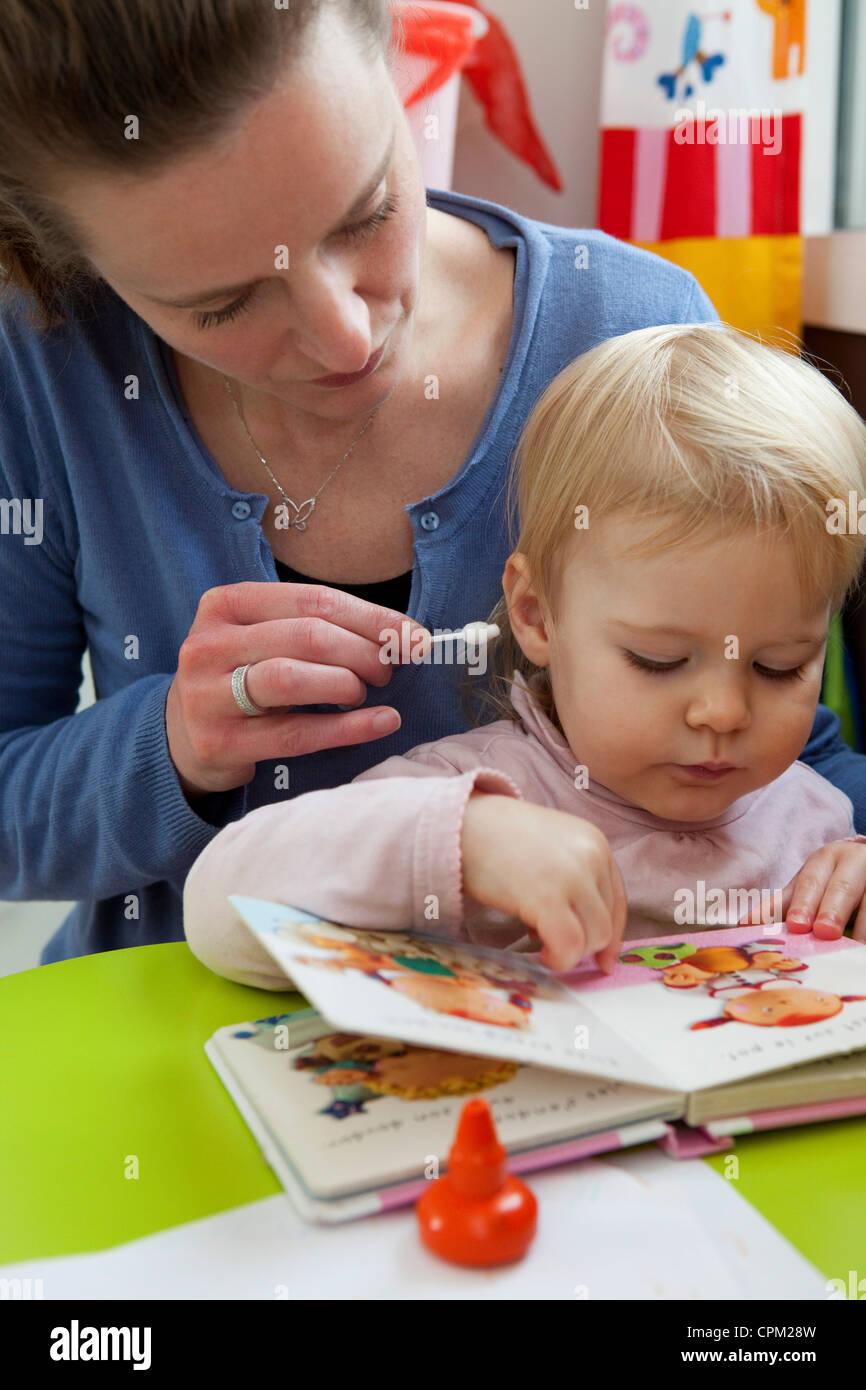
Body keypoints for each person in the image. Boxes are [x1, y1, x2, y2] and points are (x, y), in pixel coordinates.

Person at [0, 2, 860, 967]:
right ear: (73, 264)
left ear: (405, 60)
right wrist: (168, 748)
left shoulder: (634, 331)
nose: (347, 337)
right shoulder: (42, 366)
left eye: (367, 211)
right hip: (170, 1030)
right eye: (222, 303)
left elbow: (782, 768)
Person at [183, 322, 866, 988]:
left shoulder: (815, 822)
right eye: (657, 660)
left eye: (780, 665)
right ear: (537, 616)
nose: (722, 712)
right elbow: (220, 908)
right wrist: (465, 843)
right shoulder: (474, 793)